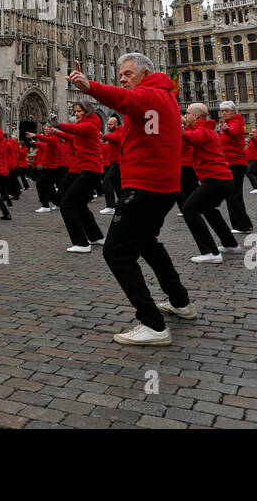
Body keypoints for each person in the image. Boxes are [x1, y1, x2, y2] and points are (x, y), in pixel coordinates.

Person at [67, 54, 193, 347]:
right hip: (160, 187)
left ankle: (152, 323)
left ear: (145, 73)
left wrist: (89, 87)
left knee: (117, 253)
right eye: (120, 74)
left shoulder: (151, 94)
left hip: (145, 187)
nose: (122, 78)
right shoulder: (161, 97)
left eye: (127, 73)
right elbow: (139, 121)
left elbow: (124, 99)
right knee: (147, 243)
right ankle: (180, 300)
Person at [179, 103, 240, 263]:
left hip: (216, 180)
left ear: (196, 116)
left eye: (188, 113)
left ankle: (210, 252)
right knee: (208, 209)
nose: (186, 116)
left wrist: (179, 129)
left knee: (189, 209)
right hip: (222, 180)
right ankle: (230, 244)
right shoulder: (208, 129)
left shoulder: (203, 130)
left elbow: (193, 137)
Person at [47, 103, 105, 253]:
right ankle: (95, 237)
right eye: (75, 111)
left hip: (89, 169)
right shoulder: (86, 124)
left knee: (67, 205)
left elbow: (74, 129)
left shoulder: (90, 125)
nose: (77, 114)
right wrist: (56, 130)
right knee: (78, 205)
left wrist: (58, 124)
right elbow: (72, 134)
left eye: (79, 111)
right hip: (88, 169)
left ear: (87, 111)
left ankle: (81, 243)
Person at [216, 102, 254, 232]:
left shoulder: (236, 122)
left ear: (233, 112)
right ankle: (244, 223)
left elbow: (233, 131)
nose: (224, 113)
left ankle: (241, 225)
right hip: (230, 162)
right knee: (233, 193)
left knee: (233, 194)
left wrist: (227, 130)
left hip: (236, 162)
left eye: (226, 110)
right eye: (222, 111)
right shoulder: (227, 123)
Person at [100, 115, 124, 214]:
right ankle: (123, 204)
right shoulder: (114, 132)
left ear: (116, 124)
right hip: (114, 163)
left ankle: (110, 206)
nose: (108, 126)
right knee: (117, 185)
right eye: (108, 124)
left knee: (106, 182)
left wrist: (102, 136)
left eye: (110, 124)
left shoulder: (119, 131)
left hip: (118, 163)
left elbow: (115, 137)